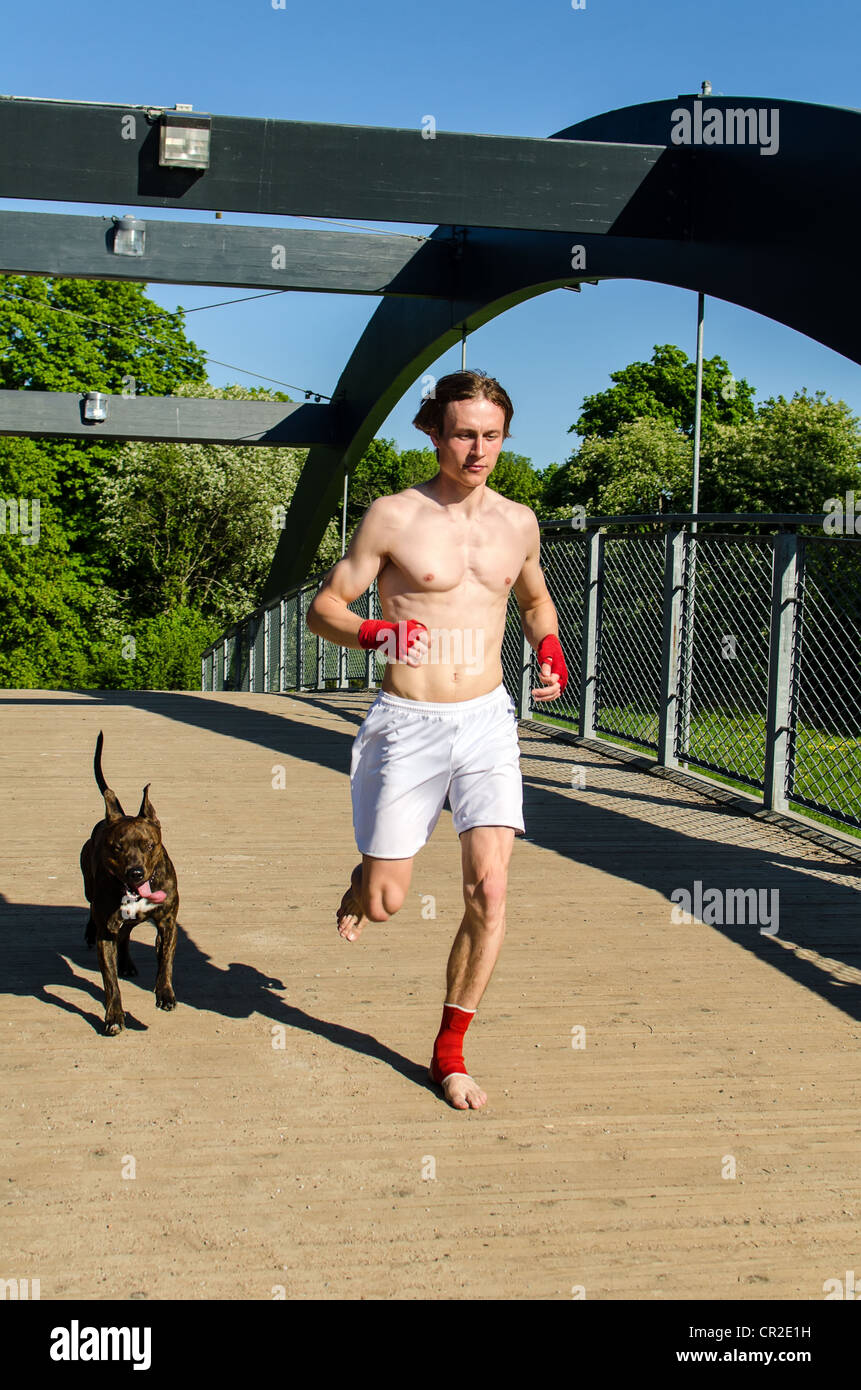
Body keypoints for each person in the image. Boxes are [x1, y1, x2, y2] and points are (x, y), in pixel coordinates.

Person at [306, 370, 568, 1110]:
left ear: (504, 437)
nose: (477, 450)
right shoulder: (393, 515)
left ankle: (449, 1052)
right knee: (385, 901)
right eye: (463, 435)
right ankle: (365, 880)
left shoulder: (518, 522)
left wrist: (548, 647)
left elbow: (535, 600)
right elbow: (325, 607)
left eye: (491, 436)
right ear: (434, 434)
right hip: (409, 722)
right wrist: (373, 632)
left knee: (490, 888)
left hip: (487, 719)